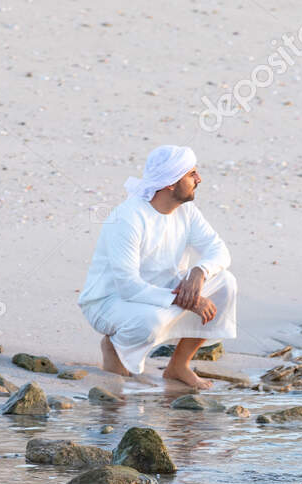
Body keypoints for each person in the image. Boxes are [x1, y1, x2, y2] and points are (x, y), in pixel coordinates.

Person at [77, 145, 237, 388]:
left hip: (163, 291)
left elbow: (219, 250)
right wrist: (190, 301)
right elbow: (129, 287)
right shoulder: (127, 218)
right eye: (191, 174)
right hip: (110, 301)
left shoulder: (188, 211)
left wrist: (199, 271)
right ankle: (113, 345)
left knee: (226, 283)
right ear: (171, 183)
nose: (199, 179)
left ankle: (178, 366)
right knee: (150, 322)